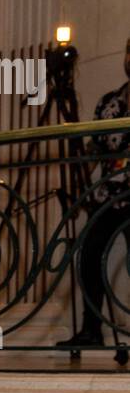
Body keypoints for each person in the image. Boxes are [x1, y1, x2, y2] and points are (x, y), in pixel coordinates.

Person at [58, 35, 130, 350]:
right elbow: (93, 150)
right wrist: (82, 184)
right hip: (108, 197)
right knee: (89, 253)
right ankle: (91, 330)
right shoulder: (110, 101)